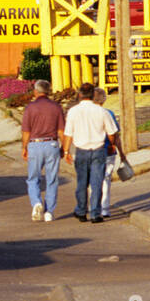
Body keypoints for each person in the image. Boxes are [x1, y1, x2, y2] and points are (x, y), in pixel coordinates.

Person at [62, 81, 119, 223]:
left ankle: (81, 211)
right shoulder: (102, 111)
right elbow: (112, 132)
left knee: (82, 183)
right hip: (99, 150)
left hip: (81, 151)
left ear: (80, 94)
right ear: (93, 94)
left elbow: (68, 133)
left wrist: (66, 151)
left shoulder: (73, 111)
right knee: (97, 183)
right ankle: (95, 213)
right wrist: (112, 144)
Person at [21, 79, 65, 222]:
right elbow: (61, 131)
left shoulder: (30, 108)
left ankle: (36, 202)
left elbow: (26, 131)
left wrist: (24, 147)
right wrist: (64, 148)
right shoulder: (56, 107)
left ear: (36, 91)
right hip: (52, 144)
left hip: (35, 145)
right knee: (52, 179)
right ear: (48, 91)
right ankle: (49, 212)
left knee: (33, 178)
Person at [94, 88, 128, 220]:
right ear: (104, 100)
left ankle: (94, 206)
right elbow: (115, 134)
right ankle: (105, 208)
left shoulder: (85, 114)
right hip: (108, 150)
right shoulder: (109, 113)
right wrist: (120, 152)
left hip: (91, 151)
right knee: (106, 179)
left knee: (93, 180)